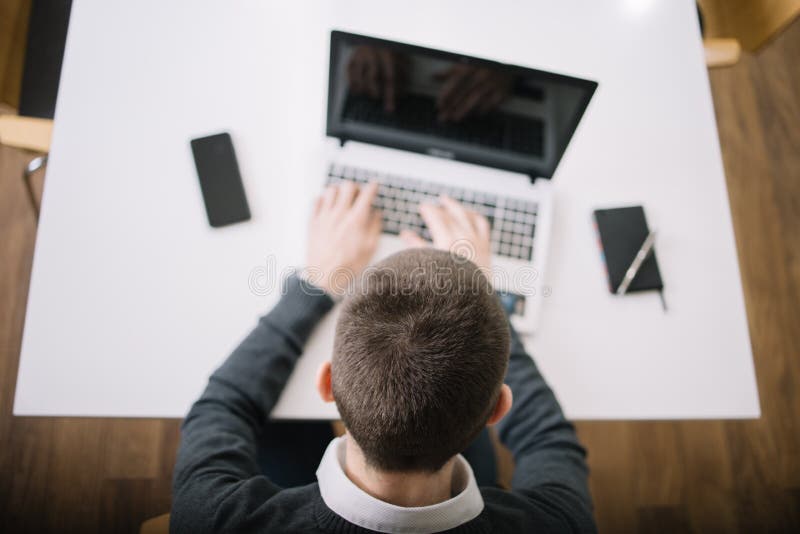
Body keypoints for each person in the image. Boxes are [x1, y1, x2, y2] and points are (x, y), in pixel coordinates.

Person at [171, 181, 596, 533]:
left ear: (327, 383)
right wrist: (481, 296)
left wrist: (317, 283)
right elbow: (549, 441)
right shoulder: (559, 522)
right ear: (500, 408)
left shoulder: (216, 519)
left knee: (278, 427)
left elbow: (222, 407)